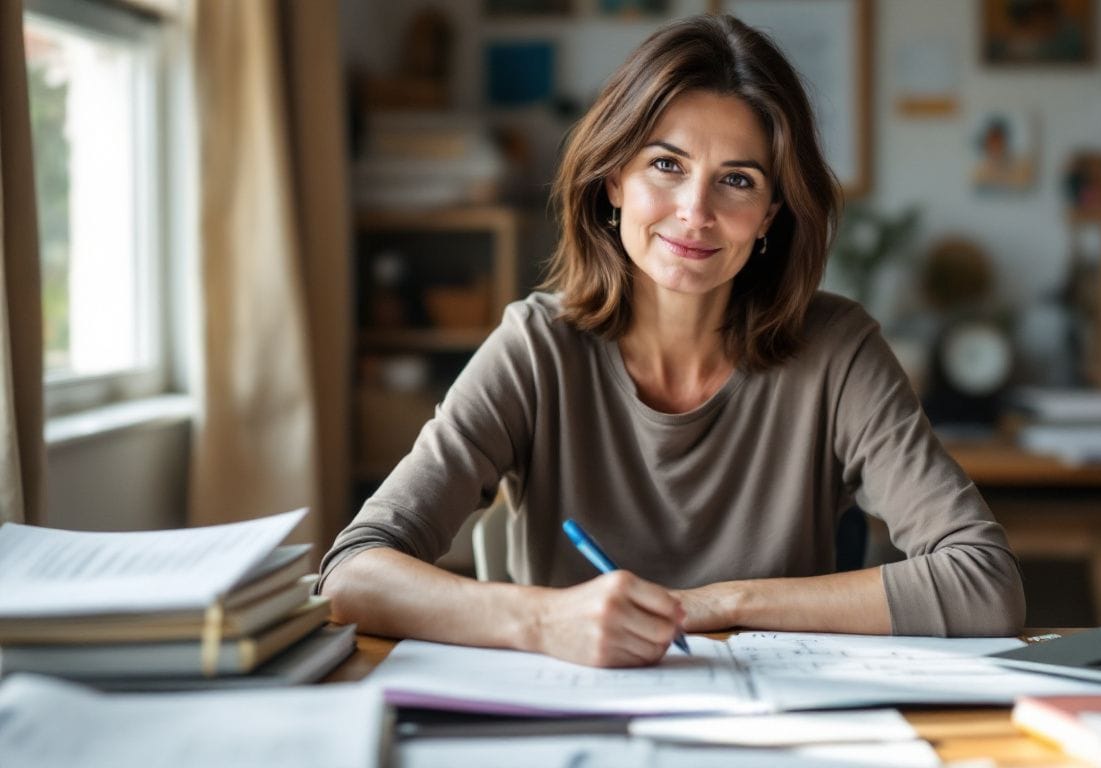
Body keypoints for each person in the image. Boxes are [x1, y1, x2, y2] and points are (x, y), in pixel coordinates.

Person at [319, 14, 1025, 669]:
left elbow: (986, 583)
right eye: (666, 165)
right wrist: (540, 620)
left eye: (737, 180)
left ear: (770, 215)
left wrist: (716, 603)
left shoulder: (838, 352)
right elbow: (351, 573)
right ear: (614, 179)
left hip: (776, 726)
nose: (695, 212)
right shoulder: (536, 349)